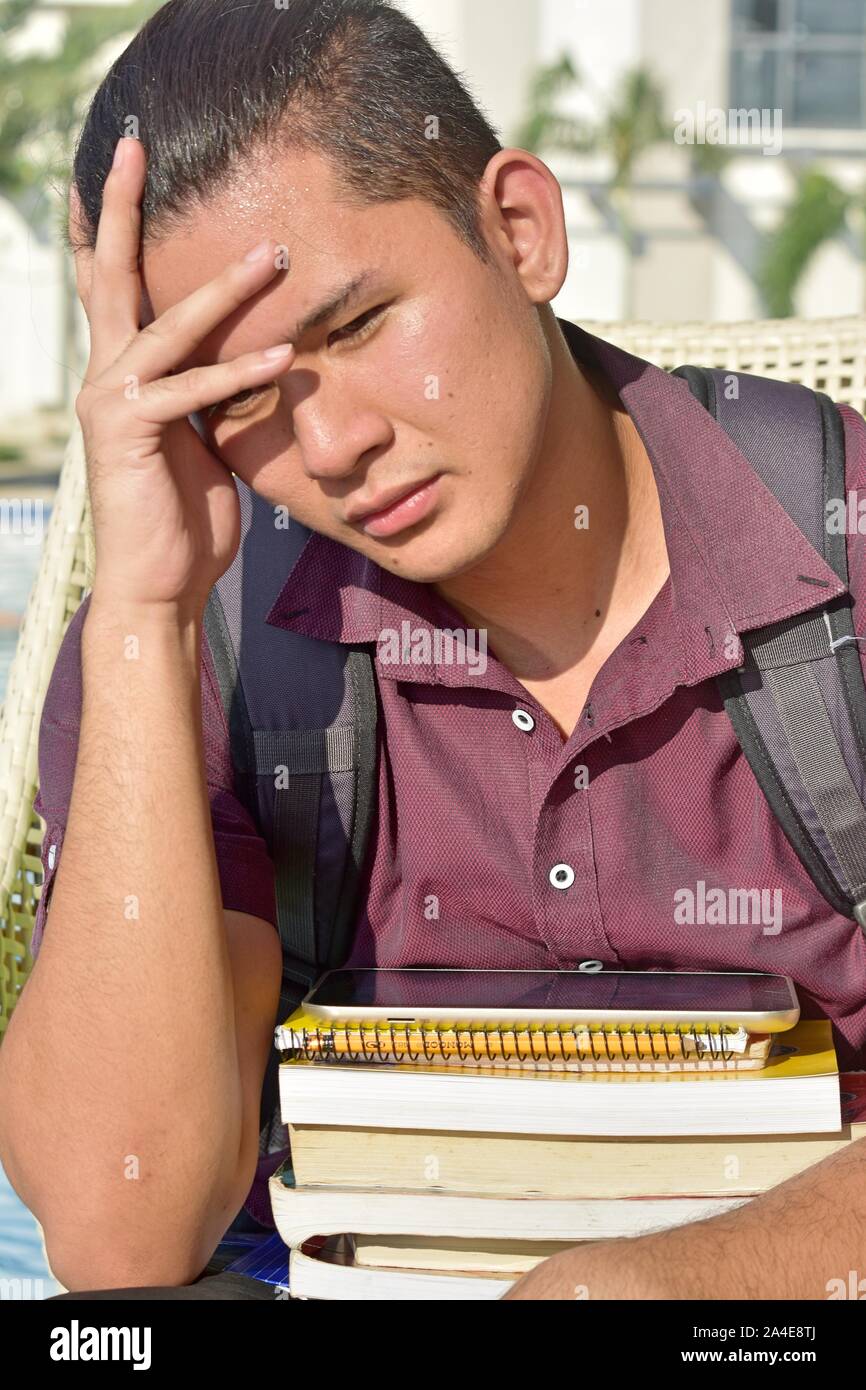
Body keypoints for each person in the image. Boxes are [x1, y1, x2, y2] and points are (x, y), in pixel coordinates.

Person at [0, 0, 865, 1301]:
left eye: (356, 329)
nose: (332, 442)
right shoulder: (199, 630)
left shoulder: (839, 546)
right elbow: (126, 1241)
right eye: (240, 396)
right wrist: (138, 615)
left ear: (519, 229)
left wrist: (652, 1283)